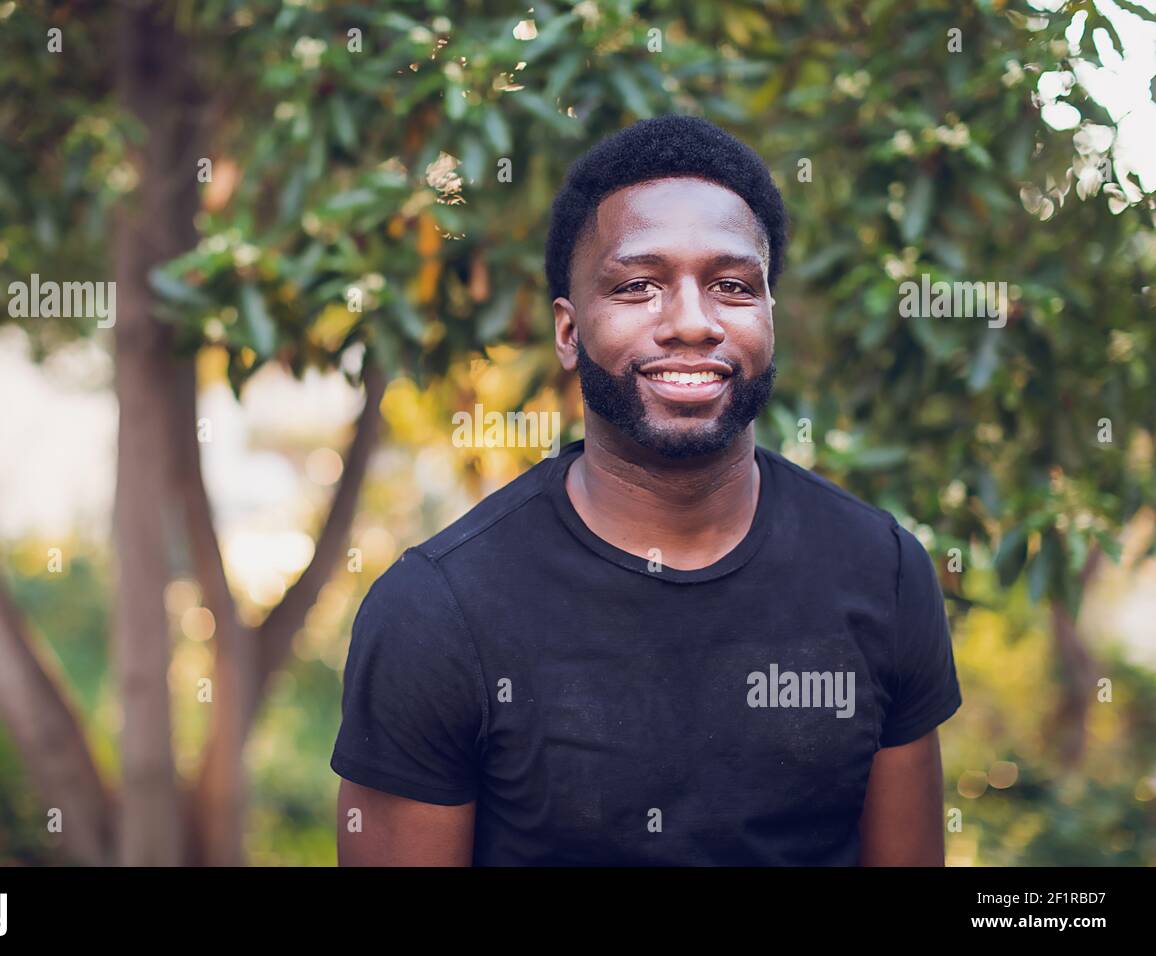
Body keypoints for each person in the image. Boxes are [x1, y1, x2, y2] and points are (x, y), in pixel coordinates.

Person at [330, 115, 962, 866]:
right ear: (569, 332)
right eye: (638, 286)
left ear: (768, 317)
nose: (692, 323)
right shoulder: (435, 612)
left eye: (732, 286)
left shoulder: (883, 572)